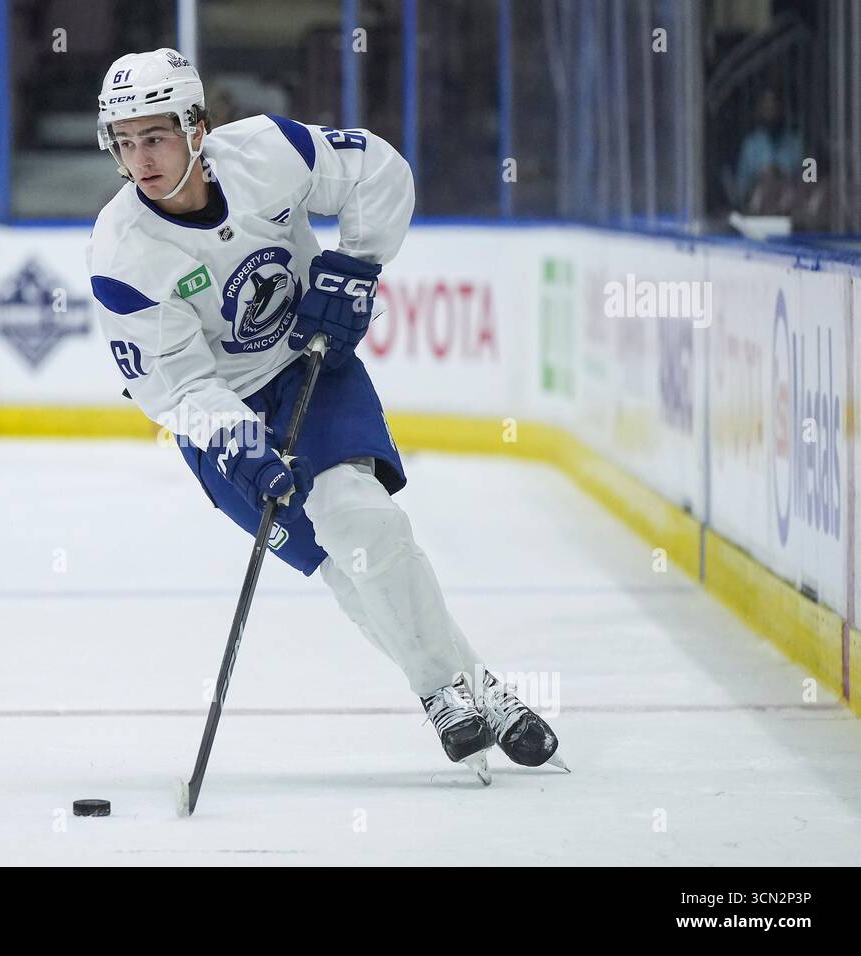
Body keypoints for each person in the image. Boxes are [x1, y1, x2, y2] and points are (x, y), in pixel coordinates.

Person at [85, 49, 566, 782]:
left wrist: (360, 262)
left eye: (154, 136)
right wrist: (238, 444)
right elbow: (176, 387)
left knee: (362, 520)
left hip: (312, 362)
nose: (139, 159)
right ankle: (477, 688)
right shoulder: (124, 255)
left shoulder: (267, 152)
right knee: (343, 564)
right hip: (224, 413)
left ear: (198, 127)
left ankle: (443, 691)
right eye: (124, 141)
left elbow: (377, 170)